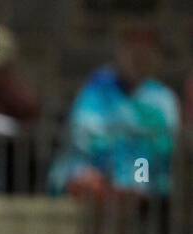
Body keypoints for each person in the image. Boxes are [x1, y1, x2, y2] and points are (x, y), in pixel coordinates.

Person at [49, 27, 180, 200]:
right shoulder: (97, 90)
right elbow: (83, 134)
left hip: (145, 180)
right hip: (96, 174)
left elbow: (163, 145)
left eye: (145, 51)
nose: (138, 57)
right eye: (132, 49)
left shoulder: (162, 98)